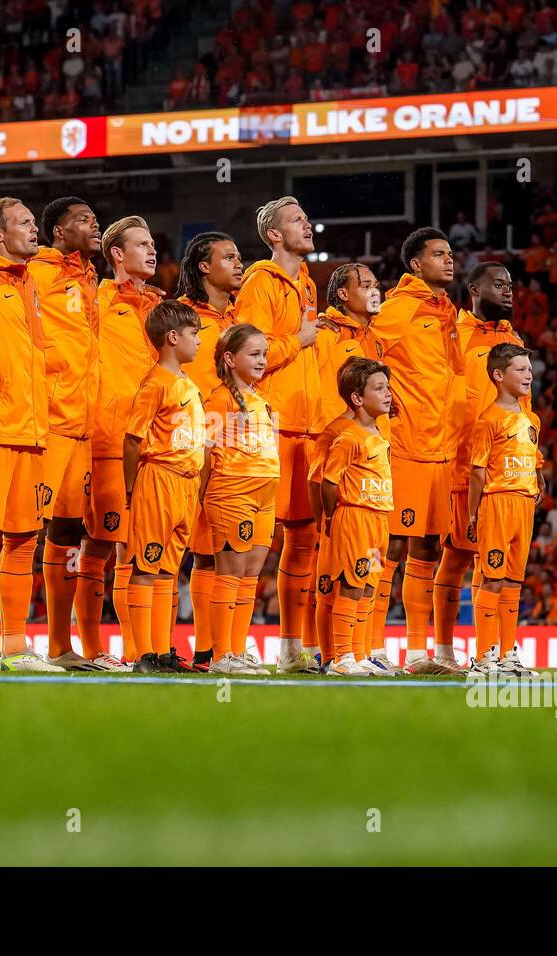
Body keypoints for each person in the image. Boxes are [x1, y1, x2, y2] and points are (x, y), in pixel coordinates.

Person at [0, 197, 61, 673]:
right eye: (24, 222)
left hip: (33, 430)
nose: (34, 228)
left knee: (24, 540)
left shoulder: (33, 281)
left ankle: (16, 648)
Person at [233, 197, 321, 673]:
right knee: (255, 541)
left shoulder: (307, 284)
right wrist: (299, 340)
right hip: (270, 426)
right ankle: (235, 643)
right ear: (273, 235)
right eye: (296, 220)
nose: (306, 225)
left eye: (306, 219)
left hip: (307, 427)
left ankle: (291, 648)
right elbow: (252, 351)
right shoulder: (260, 282)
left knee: (303, 539)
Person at [375, 227, 464, 674]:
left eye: (450, 254)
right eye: (438, 255)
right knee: (391, 545)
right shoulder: (398, 309)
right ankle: (369, 648)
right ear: (415, 265)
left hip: (443, 450)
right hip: (407, 445)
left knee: (428, 547)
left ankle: (414, 653)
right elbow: (365, 356)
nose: (449, 261)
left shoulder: (448, 311)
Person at [75, 215, 162, 670]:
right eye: (141, 245)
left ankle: (139, 651)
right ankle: (93, 651)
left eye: (153, 244)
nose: (151, 251)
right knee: (102, 544)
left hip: (158, 447)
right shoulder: (96, 299)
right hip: (110, 438)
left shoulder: (162, 308)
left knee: (139, 546)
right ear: (116, 254)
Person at [435, 262, 527, 671]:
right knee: (456, 558)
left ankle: (502, 650)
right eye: (498, 284)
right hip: (460, 466)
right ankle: (441, 650)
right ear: (473, 288)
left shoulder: (513, 340)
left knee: (501, 567)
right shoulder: (454, 332)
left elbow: (522, 409)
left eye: (511, 284)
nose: (508, 290)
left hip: (508, 476)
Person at [28, 196, 101, 669]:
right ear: (57, 231)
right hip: (47, 420)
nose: (93, 224)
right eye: (82, 220)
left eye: (95, 219)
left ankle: (59, 647)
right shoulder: (37, 269)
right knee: (19, 532)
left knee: (69, 532)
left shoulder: (90, 278)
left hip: (82, 425)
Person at [123, 301, 204, 674]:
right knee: (146, 564)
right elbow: (132, 438)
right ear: (173, 338)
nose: (199, 342)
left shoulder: (187, 383)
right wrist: (131, 489)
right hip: (159, 478)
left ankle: (161, 651)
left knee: (167, 570)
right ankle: (143, 655)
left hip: (186, 483)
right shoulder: (155, 383)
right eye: (194, 334)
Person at [176, 231, 243, 670]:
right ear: (204, 266)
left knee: (222, 549)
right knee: (192, 548)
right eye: (229, 257)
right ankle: (190, 649)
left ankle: (216, 650)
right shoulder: (180, 314)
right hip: (192, 442)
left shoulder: (240, 317)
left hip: (237, 443)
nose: (239, 263)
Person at [465, 343, 546, 678]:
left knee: (514, 582)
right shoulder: (489, 420)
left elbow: (535, 458)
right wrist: (472, 514)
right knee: (493, 578)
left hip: (524, 505)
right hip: (497, 503)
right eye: (520, 369)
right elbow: (477, 471)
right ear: (499, 375)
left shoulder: (532, 419)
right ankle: (484, 658)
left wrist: (539, 480)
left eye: (529, 369)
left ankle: (508, 655)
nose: (528, 375)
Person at [201, 323, 277, 676]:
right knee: (230, 574)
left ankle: (237, 650)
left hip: (265, 498)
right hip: (232, 492)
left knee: (250, 577)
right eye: (254, 354)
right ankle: (221, 655)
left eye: (264, 353)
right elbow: (205, 450)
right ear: (230, 359)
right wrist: (199, 498)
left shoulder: (262, 401)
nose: (262, 360)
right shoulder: (220, 399)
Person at [321, 358, 394, 676]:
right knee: (351, 585)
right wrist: (331, 516)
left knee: (369, 587)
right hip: (356, 517)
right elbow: (328, 481)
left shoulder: (378, 434)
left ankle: (361, 654)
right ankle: (342, 657)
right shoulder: (349, 438)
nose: (388, 394)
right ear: (357, 398)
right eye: (379, 388)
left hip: (379, 520)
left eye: (388, 387)